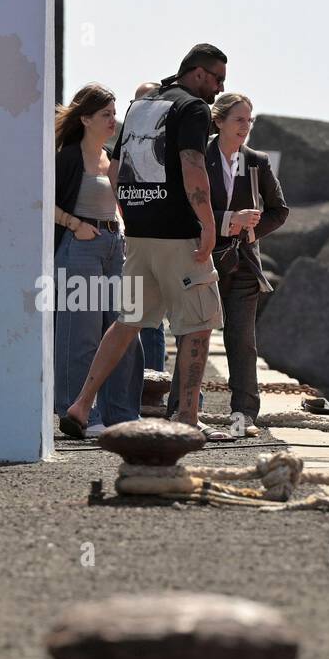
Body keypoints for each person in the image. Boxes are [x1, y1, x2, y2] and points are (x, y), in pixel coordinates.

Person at [61, 44, 229, 441]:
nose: (220, 89)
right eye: (218, 79)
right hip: (179, 238)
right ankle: (187, 420)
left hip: (138, 235)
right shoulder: (193, 109)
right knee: (199, 325)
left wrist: (131, 214)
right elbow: (192, 165)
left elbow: (117, 169)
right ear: (199, 73)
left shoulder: (142, 106)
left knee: (126, 322)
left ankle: (81, 405)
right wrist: (207, 224)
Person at [166, 92, 288, 436]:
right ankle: (181, 407)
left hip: (246, 264)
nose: (245, 127)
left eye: (250, 120)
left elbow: (280, 211)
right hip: (203, 259)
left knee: (242, 340)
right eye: (239, 120)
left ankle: (245, 413)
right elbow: (181, 208)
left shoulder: (257, 161)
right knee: (194, 334)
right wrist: (227, 220)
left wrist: (251, 232)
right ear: (218, 121)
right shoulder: (196, 156)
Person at [52, 83, 142, 436]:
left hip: (115, 245)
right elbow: (43, 202)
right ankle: (79, 414)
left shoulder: (110, 156)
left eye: (114, 113)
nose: (113, 120)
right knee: (82, 333)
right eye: (106, 114)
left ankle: (122, 413)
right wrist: (75, 225)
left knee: (124, 328)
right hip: (81, 247)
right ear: (85, 118)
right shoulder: (68, 157)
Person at [131, 80, 167, 373]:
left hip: (162, 241)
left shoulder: (170, 146)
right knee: (128, 317)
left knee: (154, 320)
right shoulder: (120, 147)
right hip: (126, 242)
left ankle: (155, 387)